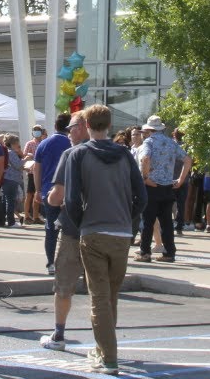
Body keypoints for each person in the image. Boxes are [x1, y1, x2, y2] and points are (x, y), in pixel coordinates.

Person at [63, 104, 147, 376]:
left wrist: (81, 223)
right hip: (121, 233)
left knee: (98, 297)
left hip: (93, 231)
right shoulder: (124, 154)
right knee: (111, 295)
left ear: (86, 125)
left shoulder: (78, 155)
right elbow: (141, 198)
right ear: (109, 125)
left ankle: (108, 357)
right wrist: (128, 219)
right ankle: (103, 350)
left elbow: (72, 199)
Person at [38, 110, 89, 351]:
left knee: (64, 283)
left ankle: (59, 334)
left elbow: (55, 196)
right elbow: (137, 196)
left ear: (84, 127)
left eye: (73, 128)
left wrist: (44, 194)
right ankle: (106, 344)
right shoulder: (119, 154)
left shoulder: (70, 153)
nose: (69, 132)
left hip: (72, 226)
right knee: (102, 291)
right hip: (103, 228)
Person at [135, 115, 190, 263]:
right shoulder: (171, 143)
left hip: (153, 186)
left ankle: (145, 252)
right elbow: (187, 160)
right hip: (167, 186)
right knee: (166, 222)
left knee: (148, 221)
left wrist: (145, 178)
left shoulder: (149, 142)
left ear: (149, 130)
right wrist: (180, 179)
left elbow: (145, 158)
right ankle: (169, 253)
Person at [32, 113, 73, 274]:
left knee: (50, 228)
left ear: (55, 126)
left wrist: (37, 190)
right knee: (71, 229)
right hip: (69, 191)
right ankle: (68, 262)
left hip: (48, 191)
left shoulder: (43, 144)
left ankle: (50, 263)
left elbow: (37, 169)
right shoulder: (72, 143)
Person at [22, 124, 44, 224]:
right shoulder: (29, 143)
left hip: (41, 172)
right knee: (29, 193)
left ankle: (35, 216)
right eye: (35, 130)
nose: (36, 131)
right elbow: (24, 155)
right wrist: (29, 156)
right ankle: (26, 215)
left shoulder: (44, 143)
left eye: (38, 130)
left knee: (38, 193)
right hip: (31, 171)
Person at [2, 133, 24, 227]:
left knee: (8, 201)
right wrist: (26, 159)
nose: (18, 145)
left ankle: (9, 220)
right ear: (12, 143)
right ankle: (11, 222)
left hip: (8, 179)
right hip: (11, 179)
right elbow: (18, 165)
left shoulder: (7, 152)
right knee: (11, 201)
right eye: (16, 143)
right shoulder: (11, 153)